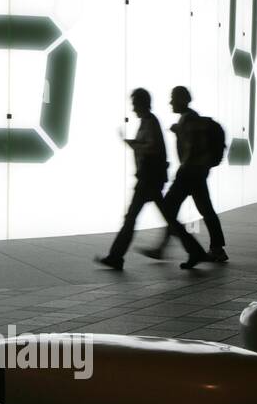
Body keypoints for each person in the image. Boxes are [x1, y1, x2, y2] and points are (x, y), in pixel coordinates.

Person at [96, 88, 207, 270]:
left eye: (134, 104)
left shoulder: (149, 122)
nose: (133, 108)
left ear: (141, 104)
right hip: (150, 179)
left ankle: (116, 256)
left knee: (133, 218)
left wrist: (132, 143)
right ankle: (195, 251)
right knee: (164, 217)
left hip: (148, 179)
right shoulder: (148, 122)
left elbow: (152, 148)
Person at [142, 86, 229, 265]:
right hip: (197, 174)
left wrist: (182, 171)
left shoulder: (190, 122)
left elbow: (190, 150)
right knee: (204, 210)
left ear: (182, 100)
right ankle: (216, 249)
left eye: (173, 98)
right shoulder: (189, 120)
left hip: (188, 174)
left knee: (168, 209)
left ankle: (188, 250)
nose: (170, 102)